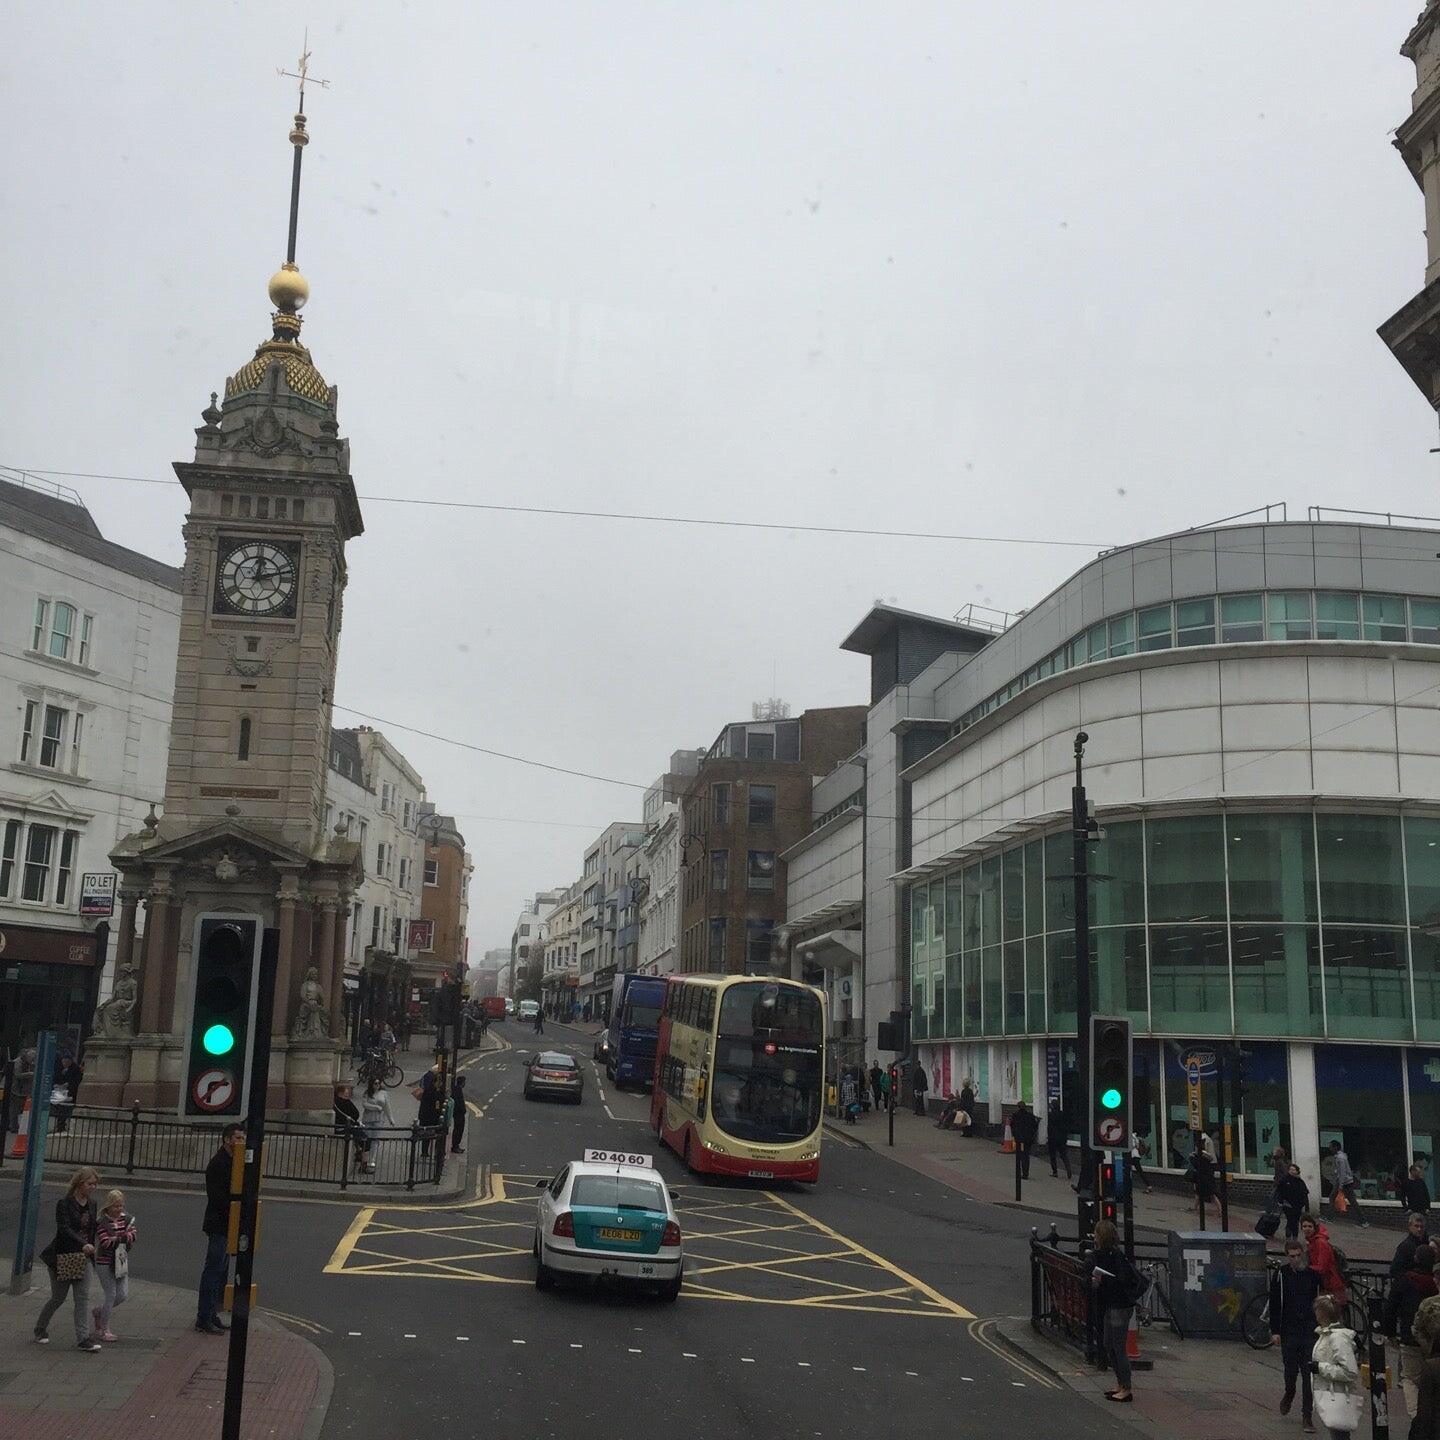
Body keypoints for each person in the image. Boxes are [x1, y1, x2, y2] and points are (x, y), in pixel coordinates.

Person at [34, 1167, 101, 1351]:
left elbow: (92, 1229)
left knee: (82, 1298)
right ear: (79, 1184)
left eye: (95, 1184)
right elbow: (64, 1229)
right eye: (89, 1184)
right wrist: (82, 1243)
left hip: (84, 1257)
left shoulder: (92, 1204)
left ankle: (83, 1339)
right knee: (58, 1298)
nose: (93, 1187)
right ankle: (40, 1328)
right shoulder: (64, 1204)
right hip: (65, 1256)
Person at [1270, 1236, 1323, 1431]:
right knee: (1291, 1371)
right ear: (1287, 1256)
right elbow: (1276, 1304)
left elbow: (1319, 1303)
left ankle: (1307, 1415)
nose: (1295, 1259)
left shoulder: (1312, 1276)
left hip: (1309, 1331)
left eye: (1298, 1256)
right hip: (1289, 1330)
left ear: (1303, 1255)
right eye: (1291, 1256)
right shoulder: (1281, 1275)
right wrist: (1275, 1331)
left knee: (1309, 1375)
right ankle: (1289, 1391)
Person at [197, 1123, 244, 1335]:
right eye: (237, 1138)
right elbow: (217, 1198)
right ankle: (203, 1317)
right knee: (213, 1270)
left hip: (228, 1225)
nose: (240, 1142)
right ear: (227, 1140)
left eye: (242, 1138)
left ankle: (212, 1314)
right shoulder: (218, 1164)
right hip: (219, 1225)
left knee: (221, 1272)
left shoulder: (235, 1162)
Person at [1087, 1218, 1139, 1403]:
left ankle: (1126, 1389)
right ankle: (1120, 1383)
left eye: (1097, 1233)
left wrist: (1104, 1280)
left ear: (1103, 1236)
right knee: (1108, 1344)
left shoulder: (1115, 1256)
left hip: (1120, 1306)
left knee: (1118, 1347)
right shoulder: (1102, 1254)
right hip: (1111, 1304)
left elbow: (1122, 1281)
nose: (1094, 1236)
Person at [1387, 1243, 1440, 1413]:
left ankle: (1416, 1415)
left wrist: (1390, 1334)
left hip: (1409, 1338)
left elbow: (1391, 1308)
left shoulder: (1404, 1280)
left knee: (1410, 1379)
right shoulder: (1434, 1283)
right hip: (1434, 1342)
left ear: (1415, 1258)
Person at [1311, 1293, 1363, 1439]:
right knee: (1337, 1433)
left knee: (1339, 1433)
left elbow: (1350, 1371)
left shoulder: (1337, 1338)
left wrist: (1320, 1368)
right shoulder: (1325, 1334)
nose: (1315, 1313)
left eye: (1317, 1310)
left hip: (1338, 1396)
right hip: (1331, 1394)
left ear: (1323, 1314)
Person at [91, 1187, 136, 1343]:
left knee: (122, 1295)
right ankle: (104, 1329)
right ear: (108, 1206)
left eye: (121, 1205)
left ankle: (99, 1312)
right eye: (116, 1206)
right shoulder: (102, 1222)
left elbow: (133, 1236)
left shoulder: (126, 1219)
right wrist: (123, 1237)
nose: (119, 1209)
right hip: (104, 1262)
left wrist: (118, 1237)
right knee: (111, 1294)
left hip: (121, 1260)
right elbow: (105, 1242)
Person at [1301, 1212, 1347, 1299]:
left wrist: (1307, 1269)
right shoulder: (1312, 1242)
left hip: (1330, 1282)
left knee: (1330, 1310)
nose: (1307, 1229)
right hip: (1324, 1282)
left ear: (1315, 1228)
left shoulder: (1320, 1242)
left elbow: (1322, 1266)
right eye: (1304, 1226)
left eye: (1310, 1226)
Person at [1328, 1140, 1368, 1227]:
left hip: (1344, 1182)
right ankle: (1329, 1217)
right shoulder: (1340, 1156)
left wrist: (1341, 1185)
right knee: (1335, 1197)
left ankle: (1363, 1220)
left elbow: (1343, 1172)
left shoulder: (1340, 1158)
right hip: (1345, 1181)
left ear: (1335, 1147)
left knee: (1351, 1201)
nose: (1329, 1148)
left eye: (1331, 1147)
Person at [359, 1076, 393, 1174]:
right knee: (367, 1140)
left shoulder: (384, 1093)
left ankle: (372, 1161)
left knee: (375, 1139)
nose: (377, 1085)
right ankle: (365, 1161)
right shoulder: (367, 1093)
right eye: (375, 1083)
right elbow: (365, 1104)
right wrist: (376, 1107)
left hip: (379, 1119)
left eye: (379, 1083)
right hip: (368, 1119)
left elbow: (387, 1106)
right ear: (371, 1084)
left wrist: (391, 1118)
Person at [334, 1083, 367, 1172]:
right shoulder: (345, 1102)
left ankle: (359, 1152)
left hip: (337, 1127)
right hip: (344, 1127)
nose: (348, 1096)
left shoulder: (334, 1102)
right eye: (346, 1094)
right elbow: (356, 1113)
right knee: (363, 1138)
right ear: (340, 1094)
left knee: (357, 1135)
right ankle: (363, 1160)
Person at [1277, 1163, 1311, 1241]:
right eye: (1290, 1170)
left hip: (1298, 1205)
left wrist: (1307, 1207)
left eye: (1294, 1170)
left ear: (1297, 1171)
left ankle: (1295, 1238)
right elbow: (1279, 1191)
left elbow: (1305, 1194)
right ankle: (1288, 1237)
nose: (1292, 1171)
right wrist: (1280, 1201)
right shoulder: (1284, 1180)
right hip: (1287, 1204)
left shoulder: (1300, 1181)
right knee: (1290, 1220)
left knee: (1295, 1221)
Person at [1393, 1212, 1431, 1280]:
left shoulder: (1429, 1243)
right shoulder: (1404, 1246)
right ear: (1410, 1227)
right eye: (1416, 1226)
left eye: (1421, 1226)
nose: (1419, 1229)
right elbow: (1395, 1269)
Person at [1191, 1133, 1218, 1228]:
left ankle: (1220, 1210)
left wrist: (1195, 1155)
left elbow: (1199, 1161)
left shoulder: (1203, 1140)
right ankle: (1195, 1208)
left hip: (1205, 1175)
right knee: (1199, 1192)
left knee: (1210, 1194)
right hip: (1205, 1174)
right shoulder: (1206, 1139)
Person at [1010, 1100, 1039, 1180]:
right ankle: (1026, 1172)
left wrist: (1015, 1135)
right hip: (1028, 1139)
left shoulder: (1016, 1115)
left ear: (1018, 1107)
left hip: (1019, 1139)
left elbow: (1012, 1126)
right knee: (1026, 1155)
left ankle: (1019, 1172)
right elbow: (1035, 1126)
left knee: (1019, 1155)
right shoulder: (1030, 1116)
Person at [1047, 1099, 1072, 1179]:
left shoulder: (1051, 1115)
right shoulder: (1063, 1114)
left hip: (1053, 1138)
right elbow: (1066, 1126)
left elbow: (1050, 1127)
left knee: (1053, 1156)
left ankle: (1055, 1172)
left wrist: (1049, 1137)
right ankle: (1068, 1170)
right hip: (1062, 1138)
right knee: (1064, 1155)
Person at [451, 1073, 468, 1154]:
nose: (465, 1084)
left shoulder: (457, 1089)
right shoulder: (458, 1090)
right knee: (458, 1130)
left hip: (458, 1113)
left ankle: (456, 1145)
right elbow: (458, 1102)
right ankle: (455, 1146)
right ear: (462, 1082)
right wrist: (463, 1110)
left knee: (458, 1130)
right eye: (464, 1082)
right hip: (459, 1114)